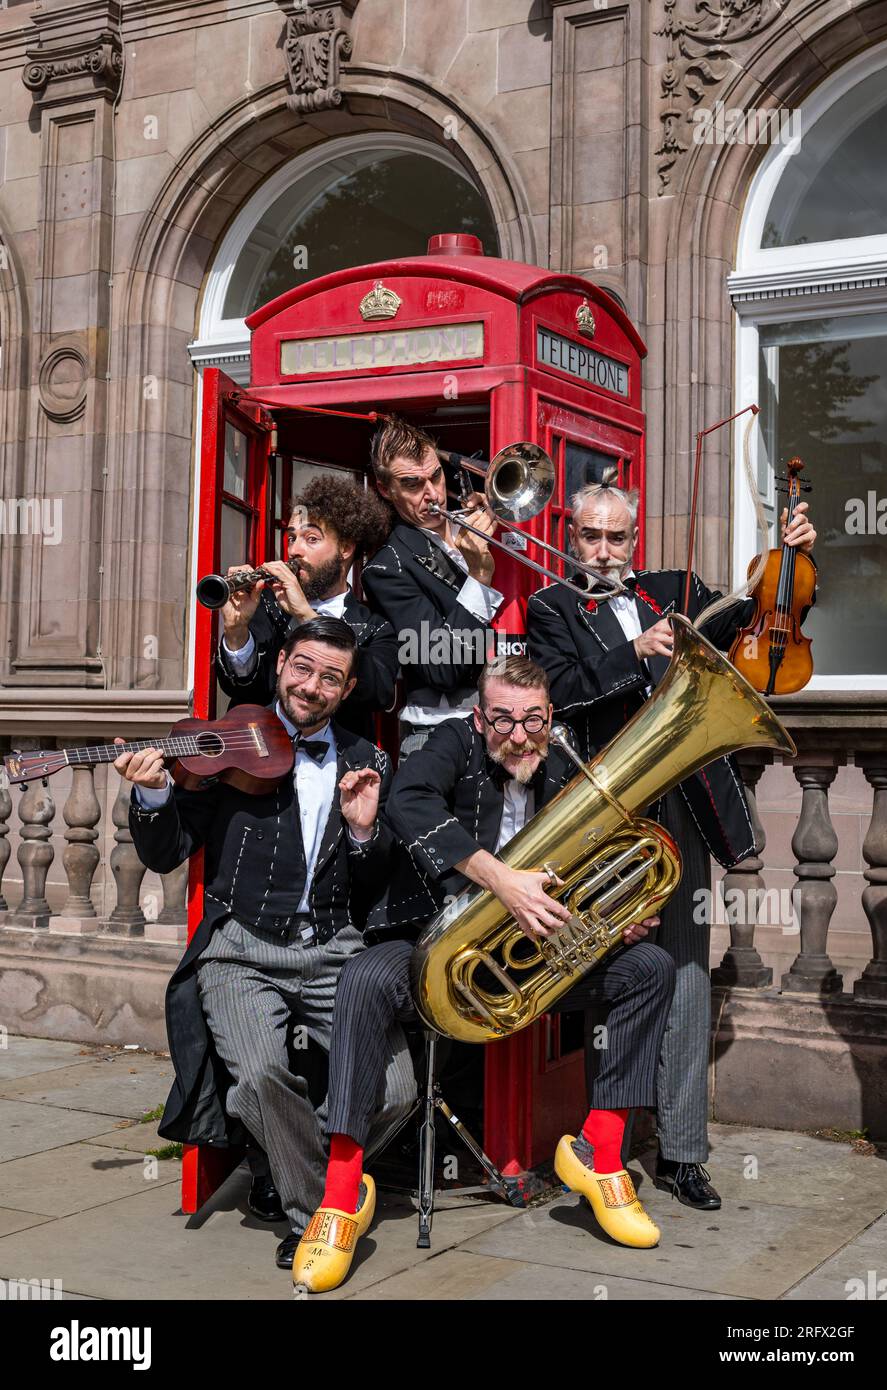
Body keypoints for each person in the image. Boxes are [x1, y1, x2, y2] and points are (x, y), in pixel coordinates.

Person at [292, 656, 675, 1294]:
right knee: (361, 979)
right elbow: (408, 802)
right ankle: (340, 1192)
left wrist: (620, 917)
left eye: (533, 720)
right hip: (430, 941)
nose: (520, 736)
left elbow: (602, 850)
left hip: (532, 954)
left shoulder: (564, 758)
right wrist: (503, 881)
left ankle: (598, 1155)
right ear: (479, 716)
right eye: (502, 720)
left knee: (649, 968)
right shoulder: (448, 743)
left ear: (550, 715)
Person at [527, 482, 817, 1211]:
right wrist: (633, 648)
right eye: (589, 536)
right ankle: (607, 1151)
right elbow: (557, 690)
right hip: (606, 817)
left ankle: (685, 1152)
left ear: (636, 540)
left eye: (616, 538)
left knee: (686, 977)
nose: (602, 551)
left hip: (683, 807)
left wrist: (789, 558)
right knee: (613, 975)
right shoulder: (549, 606)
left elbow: (756, 616)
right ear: (571, 535)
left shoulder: (674, 589)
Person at [118, 617, 416, 1270]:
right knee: (256, 1079)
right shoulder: (223, 746)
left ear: (347, 688)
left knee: (396, 1092)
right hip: (241, 948)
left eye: (331, 677)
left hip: (335, 950)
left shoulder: (369, 758)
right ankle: (318, 1214)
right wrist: (151, 790)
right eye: (304, 668)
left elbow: (374, 882)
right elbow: (168, 851)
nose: (313, 685)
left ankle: (293, 1171)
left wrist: (366, 834)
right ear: (280, 663)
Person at [363, 415, 505, 759]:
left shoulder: (473, 523)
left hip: (511, 726)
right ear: (386, 489)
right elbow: (440, 666)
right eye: (412, 484)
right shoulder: (386, 567)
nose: (432, 495)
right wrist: (478, 578)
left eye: (436, 477)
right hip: (442, 738)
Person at [217, 475, 398, 739]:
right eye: (292, 538)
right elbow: (245, 691)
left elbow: (378, 692)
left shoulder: (375, 627)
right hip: (260, 763)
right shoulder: (266, 605)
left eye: (311, 539)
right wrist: (236, 631)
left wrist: (306, 617)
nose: (294, 550)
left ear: (345, 548)